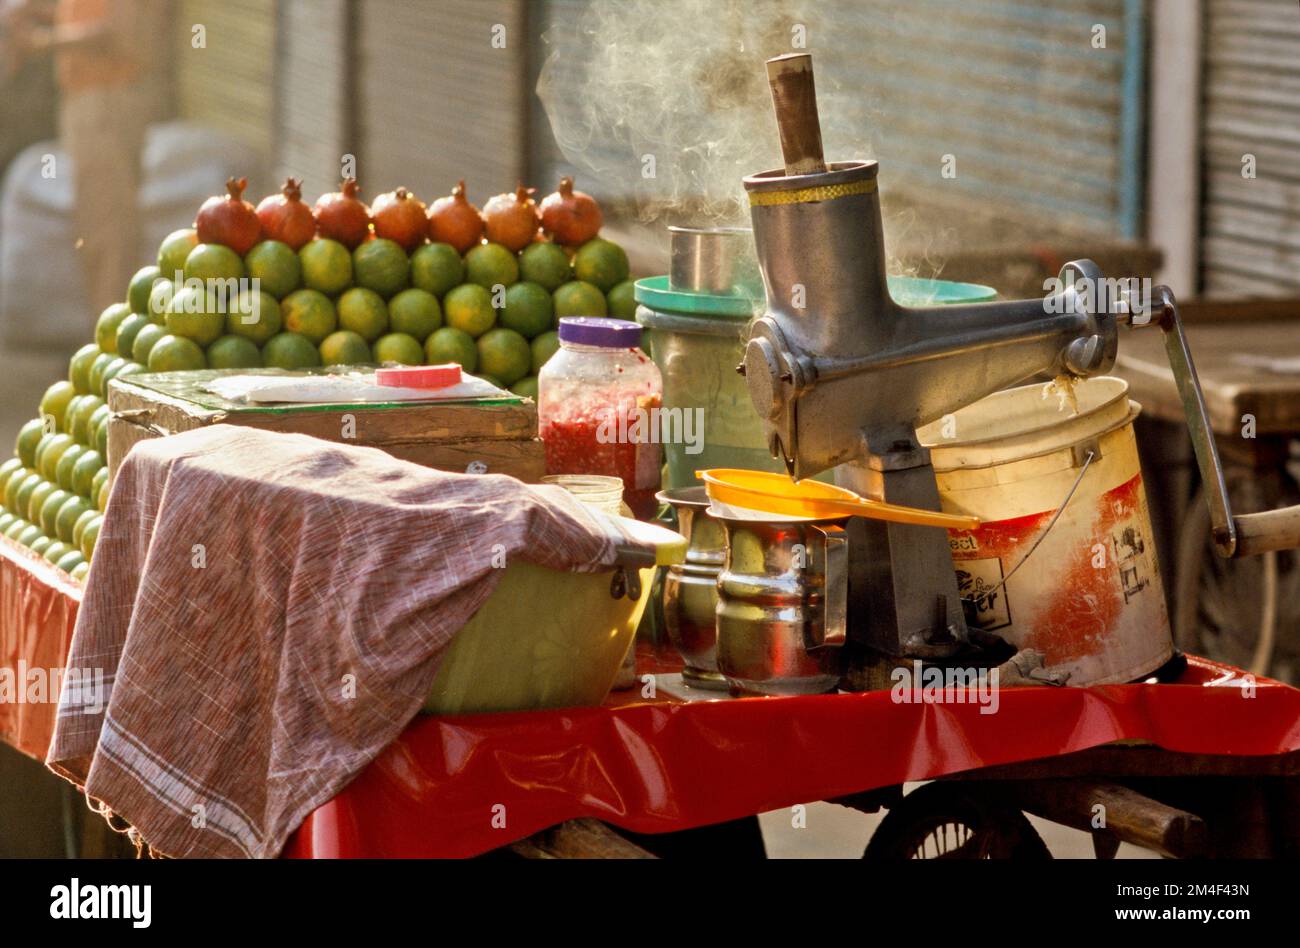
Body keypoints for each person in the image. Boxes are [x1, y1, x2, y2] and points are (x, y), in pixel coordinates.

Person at [9, 0, 168, 315]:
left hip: (105, 105)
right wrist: (38, 15)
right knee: (95, 229)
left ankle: (115, 337)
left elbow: (117, 33)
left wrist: (44, 41)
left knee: (109, 233)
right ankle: (107, 332)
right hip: (88, 102)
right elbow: (89, 14)